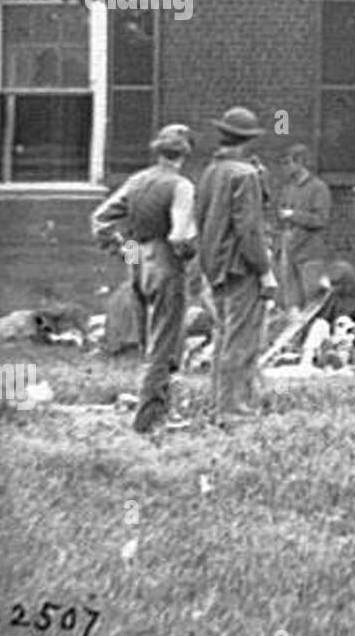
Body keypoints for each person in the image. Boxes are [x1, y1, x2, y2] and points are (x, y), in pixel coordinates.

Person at [91, 123, 198, 435]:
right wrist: (189, 252)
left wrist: (123, 249)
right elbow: (179, 235)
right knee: (165, 341)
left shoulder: (137, 181)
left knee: (147, 340)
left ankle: (156, 407)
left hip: (137, 258)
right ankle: (148, 420)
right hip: (165, 259)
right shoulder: (181, 186)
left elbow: (100, 220)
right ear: (186, 153)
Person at [196, 106, 277, 426]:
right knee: (242, 340)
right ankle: (235, 410)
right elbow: (250, 230)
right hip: (240, 267)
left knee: (223, 337)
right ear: (248, 141)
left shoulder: (211, 171)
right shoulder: (244, 175)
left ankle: (220, 406)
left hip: (215, 265)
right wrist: (265, 270)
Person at [277, 143, 332, 313]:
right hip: (289, 249)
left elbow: (321, 220)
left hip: (310, 252)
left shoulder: (318, 188)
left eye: (288, 163)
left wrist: (293, 215)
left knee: (312, 300)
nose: (285, 168)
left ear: (300, 162)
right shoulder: (288, 188)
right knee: (290, 300)